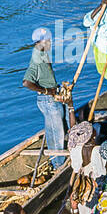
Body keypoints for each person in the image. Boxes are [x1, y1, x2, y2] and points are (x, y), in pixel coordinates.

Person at [23, 30, 67, 163]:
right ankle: (59, 164)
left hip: (52, 98)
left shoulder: (43, 54)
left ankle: (58, 160)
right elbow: (26, 82)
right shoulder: (36, 59)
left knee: (55, 130)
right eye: (47, 40)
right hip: (48, 100)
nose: (50, 42)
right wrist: (47, 91)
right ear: (38, 42)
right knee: (56, 134)